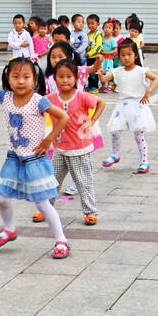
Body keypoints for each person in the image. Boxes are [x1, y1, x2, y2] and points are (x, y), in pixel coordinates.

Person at [0, 54, 71, 259]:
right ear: (8, 78)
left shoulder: (39, 101)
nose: (21, 81)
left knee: (43, 203)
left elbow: (63, 117)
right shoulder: (5, 97)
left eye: (26, 77)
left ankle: (61, 240)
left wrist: (48, 141)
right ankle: (9, 229)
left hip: (35, 160)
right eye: (16, 76)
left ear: (34, 80)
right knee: (2, 198)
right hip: (14, 159)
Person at [48, 57, 106, 226]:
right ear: (55, 78)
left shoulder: (81, 96)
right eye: (60, 76)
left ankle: (90, 211)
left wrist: (93, 119)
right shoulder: (51, 98)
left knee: (83, 181)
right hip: (59, 148)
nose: (65, 80)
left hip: (79, 148)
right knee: (52, 180)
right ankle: (46, 208)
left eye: (69, 76)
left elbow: (101, 102)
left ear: (75, 78)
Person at [100, 38, 158, 173]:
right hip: (123, 106)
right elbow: (104, 79)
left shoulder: (140, 71)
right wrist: (101, 76)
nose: (126, 58)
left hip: (137, 105)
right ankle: (115, 154)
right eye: (123, 55)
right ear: (119, 56)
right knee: (114, 130)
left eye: (129, 54)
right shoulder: (117, 71)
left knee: (139, 134)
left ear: (135, 55)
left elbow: (156, 79)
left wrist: (148, 92)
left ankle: (144, 161)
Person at [84, 14, 104, 92]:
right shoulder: (88, 34)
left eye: (92, 23)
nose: (90, 25)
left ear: (98, 24)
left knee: (94, 73)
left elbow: (98, 47)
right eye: (88, 24)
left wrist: (90, 53)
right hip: (88, 57)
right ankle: (90, 85)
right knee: (89, 72)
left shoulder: (98, 35)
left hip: (95, 57)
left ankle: (95, 87)